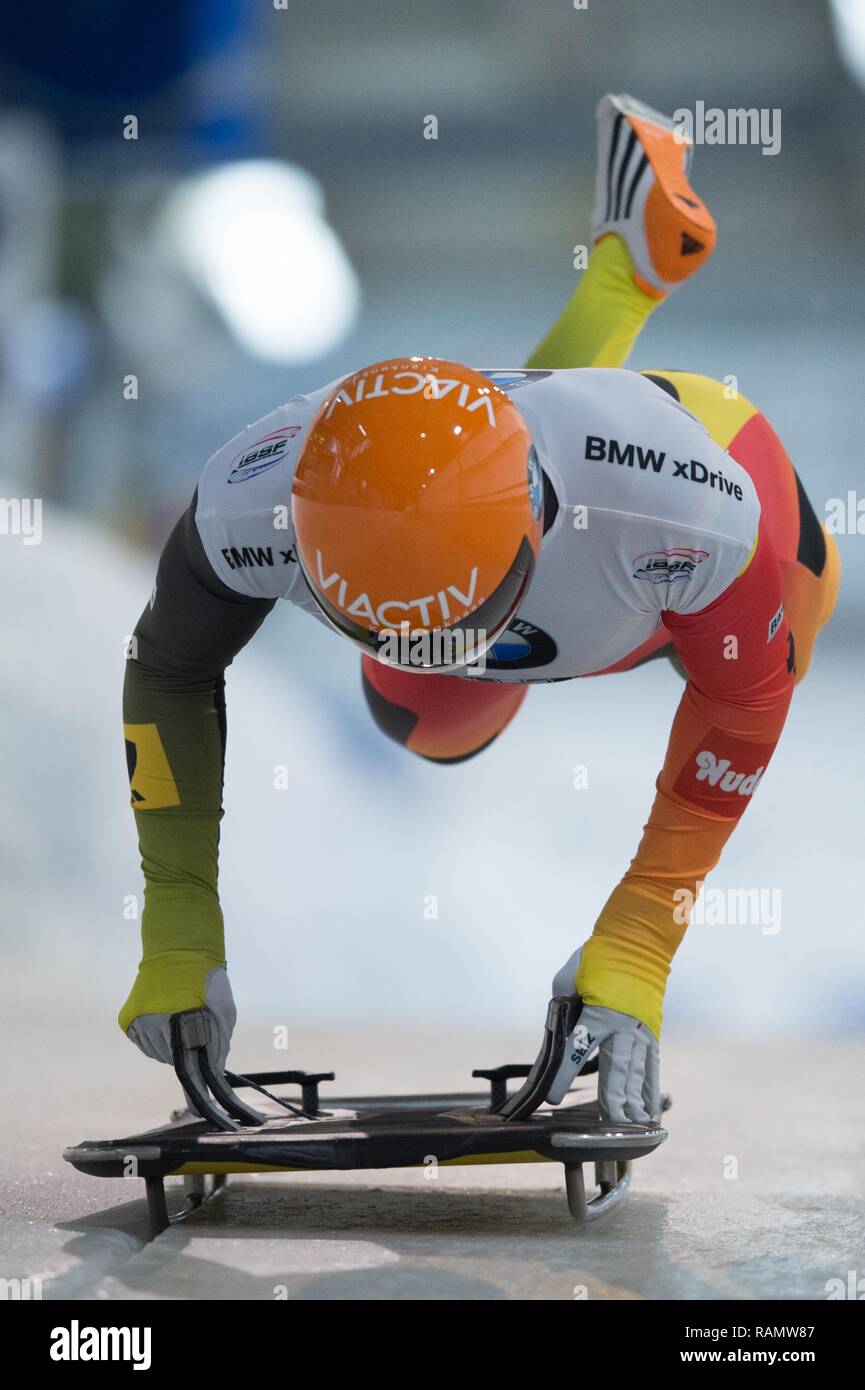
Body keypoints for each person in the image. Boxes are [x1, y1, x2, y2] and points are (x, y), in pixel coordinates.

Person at [120, 95, 839, 1122]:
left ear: (536, 537)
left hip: (706, 483)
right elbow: (169, 667)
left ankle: (626, 275)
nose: (462, 654)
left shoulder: (685, 510)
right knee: (426, 718)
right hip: (569, 500)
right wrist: (177, 921)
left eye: (471, 625)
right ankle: (628, 267)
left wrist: (639, 937)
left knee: (791, 622)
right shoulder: (249, 497)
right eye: (414, 634)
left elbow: (745, 707)